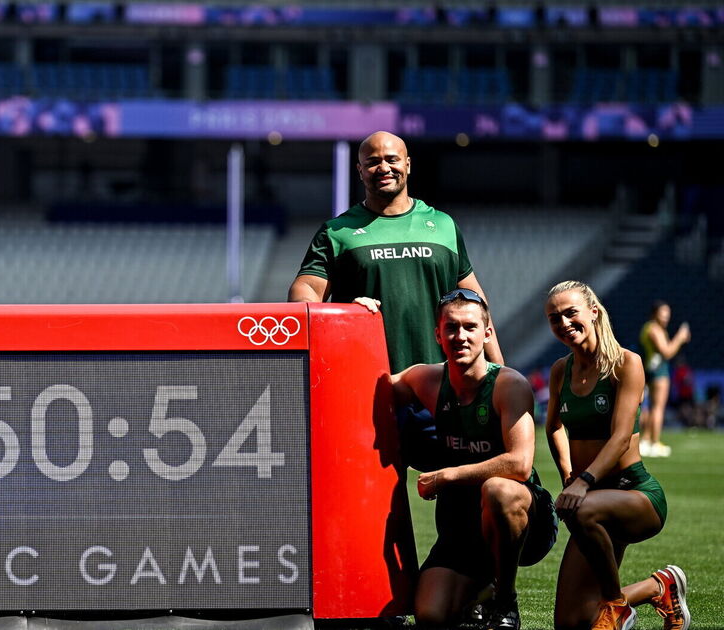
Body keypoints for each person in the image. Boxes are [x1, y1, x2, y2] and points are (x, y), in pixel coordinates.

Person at [289, 131, 504, 474]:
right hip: (370, 390)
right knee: (377, 509)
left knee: (464, 492)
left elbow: (478, 305)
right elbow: (304, 290)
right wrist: (341, 313)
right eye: (372, 161)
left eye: (391, 159)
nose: (383, 167)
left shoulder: (443, 225)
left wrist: (498, 374)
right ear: (359, 170)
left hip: (442, 389)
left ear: (408, 164)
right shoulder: (336, 232)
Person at [391, 288, 556, 630]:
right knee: (431, 616)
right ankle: (478, 593)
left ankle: (504, 599)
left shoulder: (509, 385)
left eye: (469, 327)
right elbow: (369, 386)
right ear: (438, 333)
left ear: (487, 332)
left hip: (519, 518)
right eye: (451, 327)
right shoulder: (426, 380)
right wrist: (358, 312)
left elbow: (520, 464)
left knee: (499, 490)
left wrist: (447, 476)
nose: (460, 336)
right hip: (460, 529)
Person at [543, 281, 689, 630]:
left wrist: (584, 482)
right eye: (554, 318)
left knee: (582, 509)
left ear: (593, 311)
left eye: (570, 313)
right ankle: (660, 586)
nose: (563, 323)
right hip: (589, 500)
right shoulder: (560, 370)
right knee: (570, 622)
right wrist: (568, 476)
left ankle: (616, 605)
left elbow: (622, 437)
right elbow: (553, 427)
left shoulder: (627, 363)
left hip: (634, 494)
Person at [638, 301, 690, 458]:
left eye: (668, 313)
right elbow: (666, 352)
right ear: (655, 314)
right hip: (658, 371)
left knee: (648, 407)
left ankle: (646, 441)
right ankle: (655, 442)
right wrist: (680, 338)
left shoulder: (651, 328)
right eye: (663, 313)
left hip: (649, 369)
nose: (666, 317)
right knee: (657, 408)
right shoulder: (654, 329)